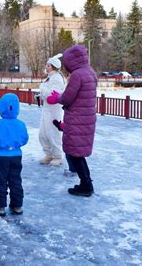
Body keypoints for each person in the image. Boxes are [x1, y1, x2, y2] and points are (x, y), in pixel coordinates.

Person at [47, 45, 97, 197]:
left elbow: (68, 97)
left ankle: (86, 185)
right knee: (78, 153)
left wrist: (57, 97)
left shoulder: (77, 75)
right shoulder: (90, 72)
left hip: (77, 119)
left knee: (75, 154)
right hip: (87, 118)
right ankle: (86, 182)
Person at [0, 93, 29, 217]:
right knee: (15, 179)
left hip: (0, 157)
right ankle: (17, 205)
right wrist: (15, 144)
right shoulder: (21, 124)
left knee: (0, 180)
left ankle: (0, 206)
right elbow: (24, 139)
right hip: (16, 156)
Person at [38, 54, 65, 166]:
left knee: (53, 133)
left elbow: (52, 96)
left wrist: (42, 89)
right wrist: (40, 94)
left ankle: (57, 156)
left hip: (54, 110)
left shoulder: (57, 78)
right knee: (43, 134)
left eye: (48, 65)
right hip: (46, 110)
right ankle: (48, 154)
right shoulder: (50, 77)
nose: (46, 67)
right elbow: (46, 94)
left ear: (53, 66)